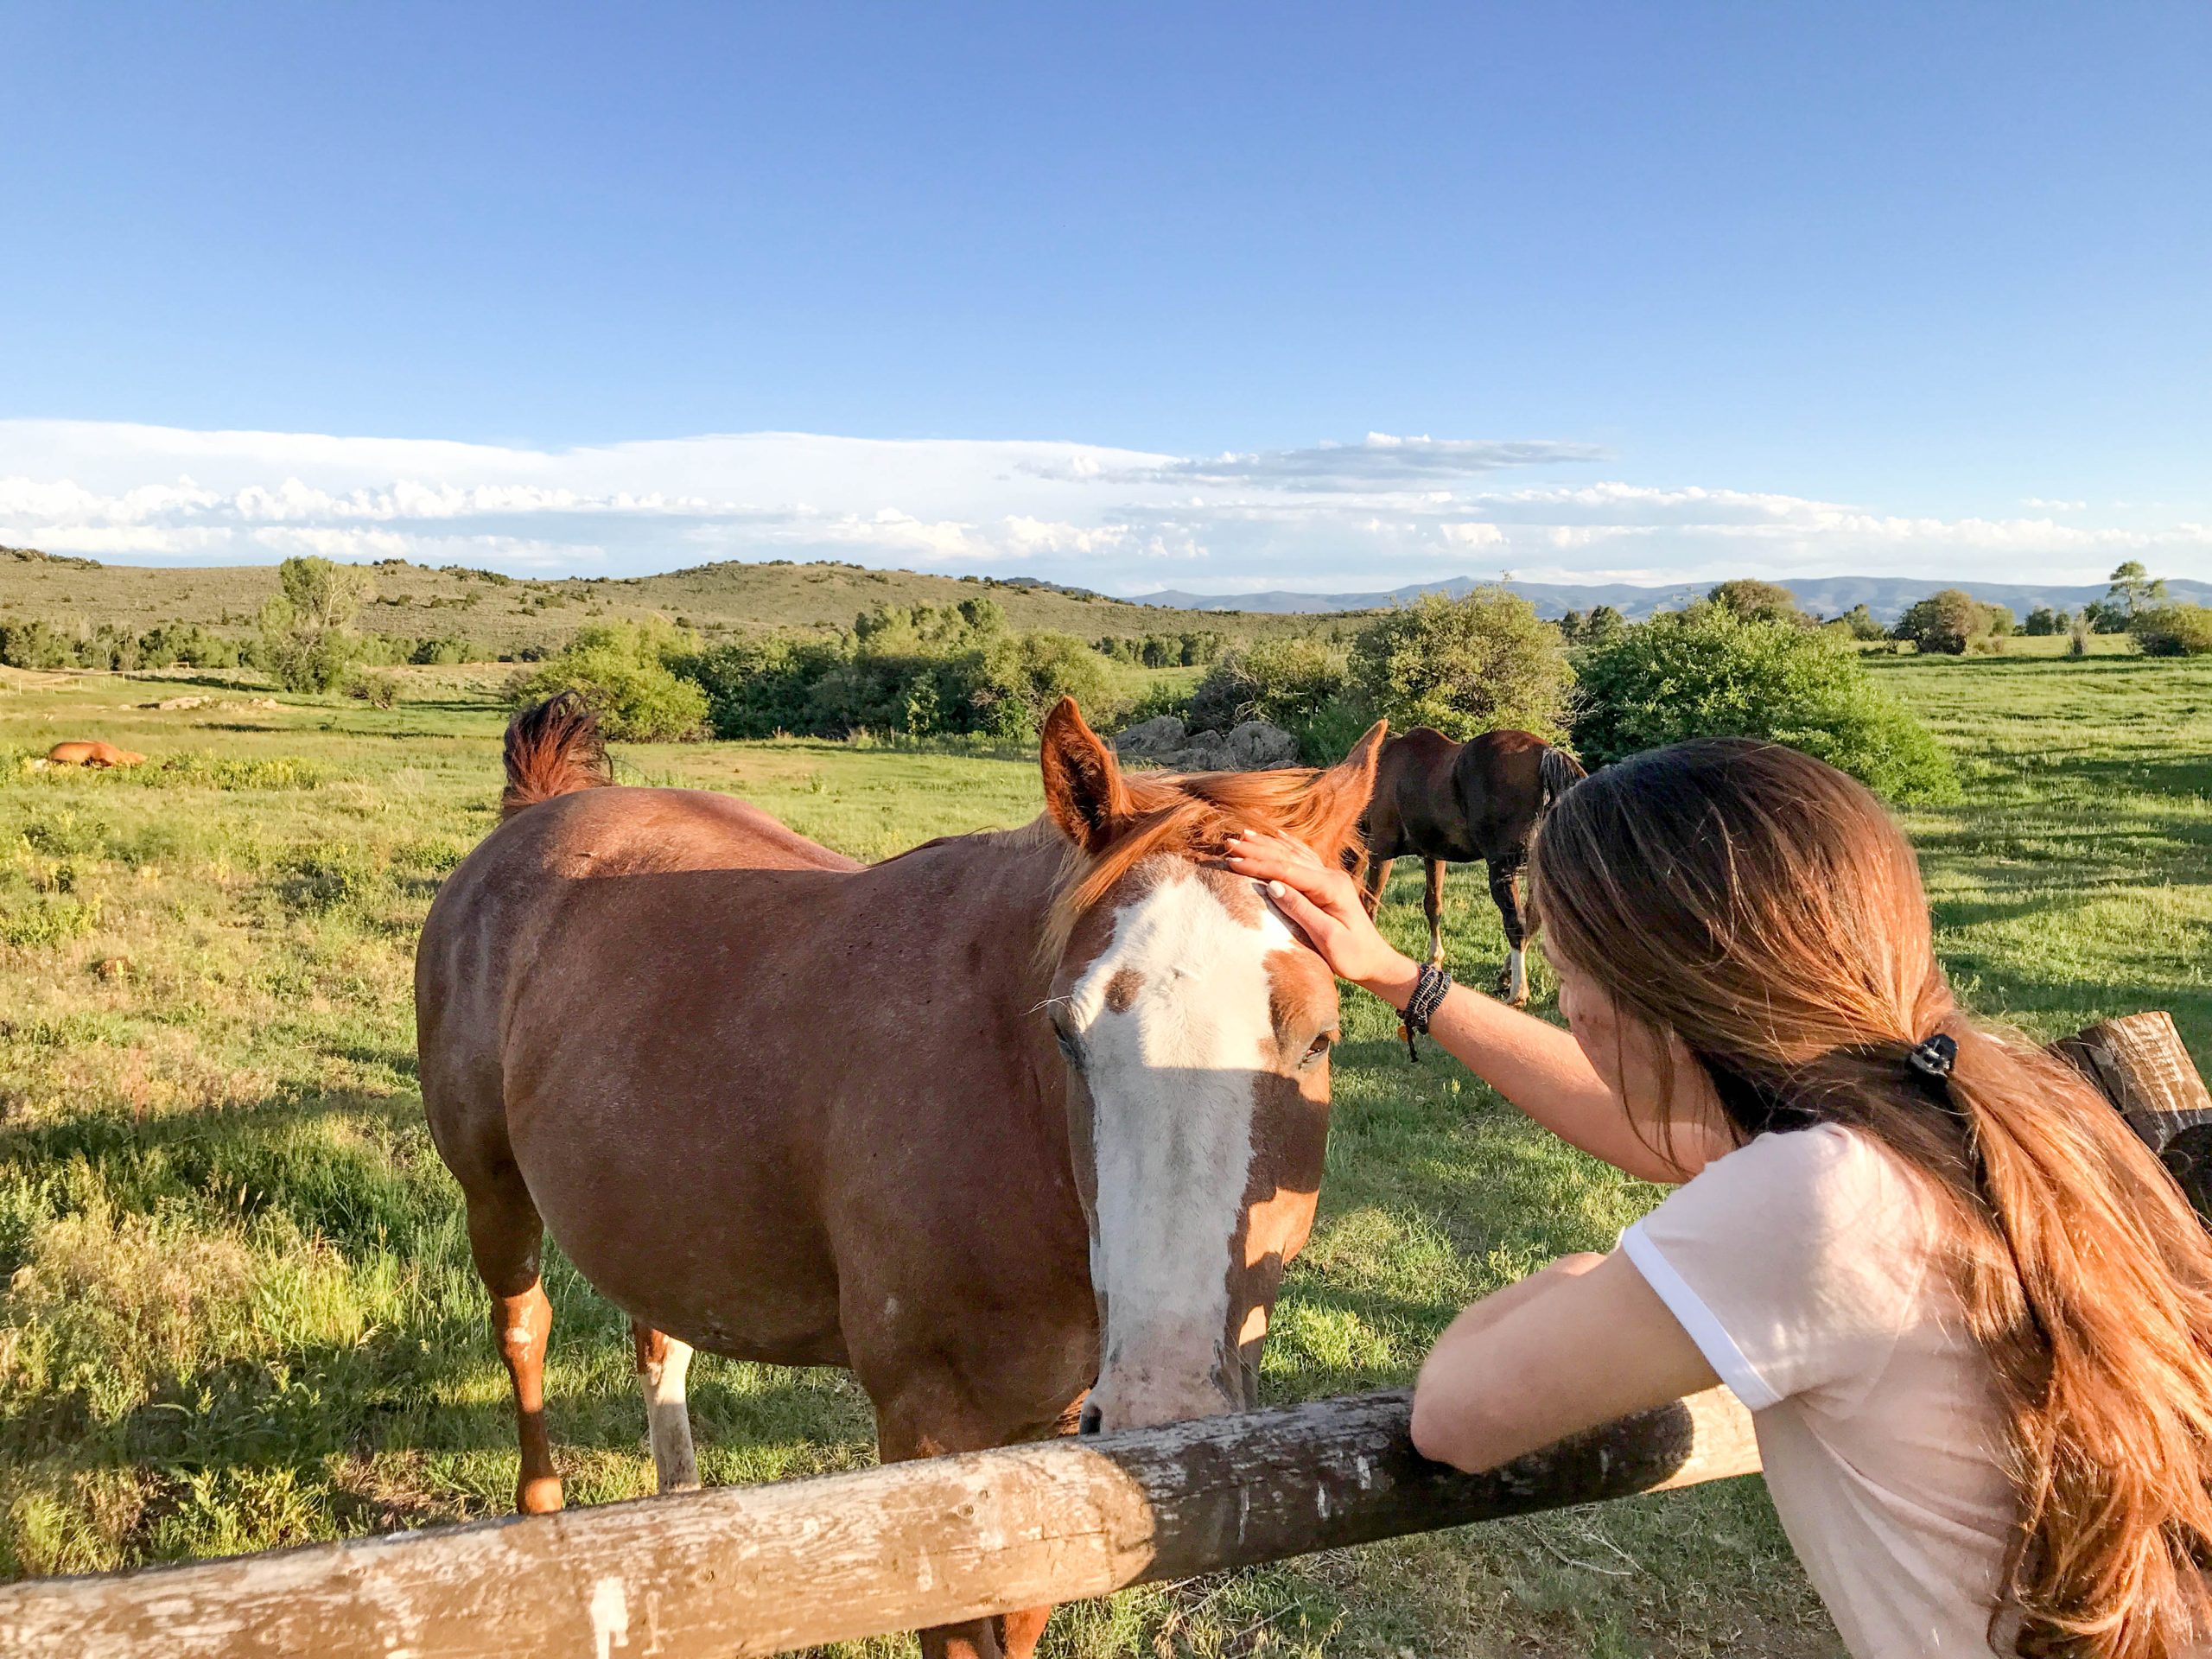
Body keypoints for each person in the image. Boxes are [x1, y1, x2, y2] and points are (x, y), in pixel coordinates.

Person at [1224, 737, 2212, 1659]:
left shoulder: (1818, 1199)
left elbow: (1456, 1415)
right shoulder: (1980, 1105)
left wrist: (1585, 1276)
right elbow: (1659, 1129)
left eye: (1565, 967)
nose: (1566, 1003)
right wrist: (1399, 977)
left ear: (1646, 986)